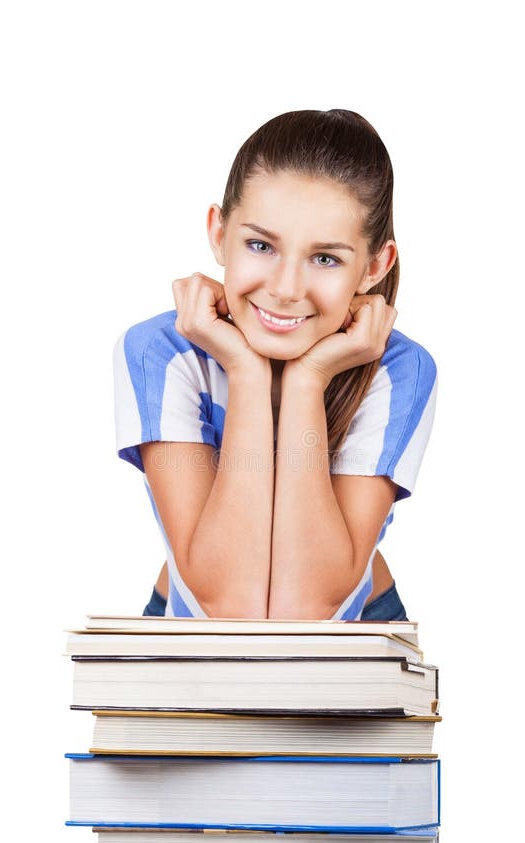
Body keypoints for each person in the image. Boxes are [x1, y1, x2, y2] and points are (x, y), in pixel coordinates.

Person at [113, 108, 438, 621]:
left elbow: (303, 611)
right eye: (261, 245)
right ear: (219, 233)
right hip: (189, 616)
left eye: (325, 258)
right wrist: (244, 373)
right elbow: (230, 609)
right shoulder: (164, 351)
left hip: (355, 622)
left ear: (375, 266)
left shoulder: (396, 369)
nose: (286, 290)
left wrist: (309, 381)